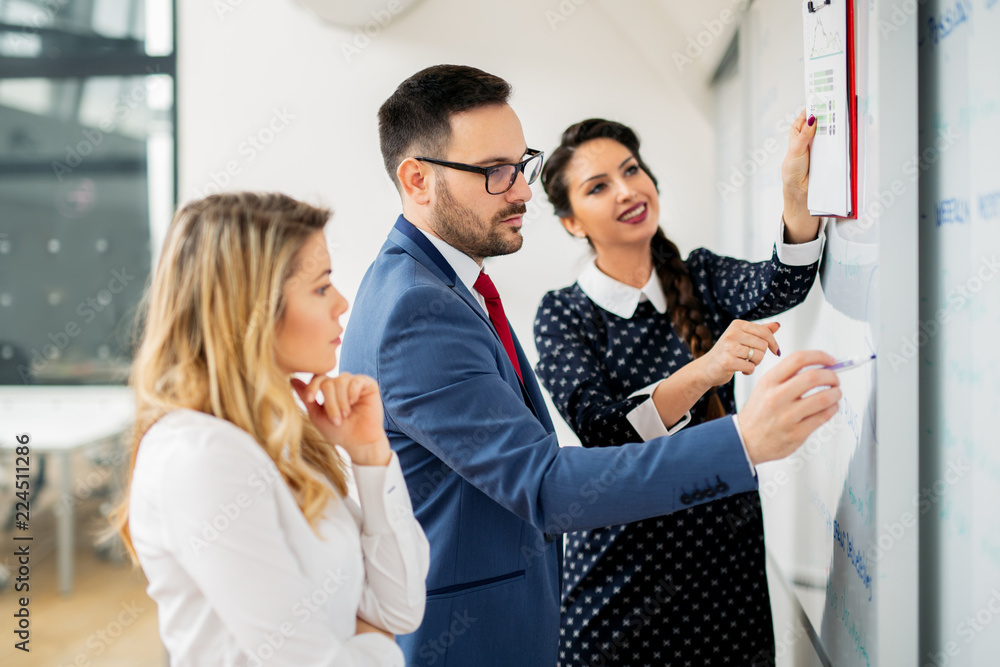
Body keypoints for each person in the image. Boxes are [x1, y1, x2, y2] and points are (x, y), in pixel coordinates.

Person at [340, 64, 840, 667]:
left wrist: (796, 197)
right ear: (417, 180)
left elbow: (779, 283)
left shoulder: (440, 285)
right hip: (508, 627)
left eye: (518, 165)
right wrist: (744, 440)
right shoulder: (421, 306)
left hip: (706, 582)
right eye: (495, 172)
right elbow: (548, 481)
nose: (522, 190)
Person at [534, 117, 824, 666]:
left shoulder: (701, 276)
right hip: (623, 583)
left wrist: (794, 198)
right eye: (598, 187)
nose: (626, 190)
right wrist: (706, 370)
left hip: (726, 576)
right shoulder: (564, 313)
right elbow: (602, 429)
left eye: (631, 170)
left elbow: (783, 282)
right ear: (572, 222)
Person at [111, 192, 429, 666]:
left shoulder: (280, 437)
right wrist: (377, 643)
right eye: (321, 288)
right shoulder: (202, 455)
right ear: (251, 309)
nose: (342, 303)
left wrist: (370, 454)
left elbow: (399, 607)